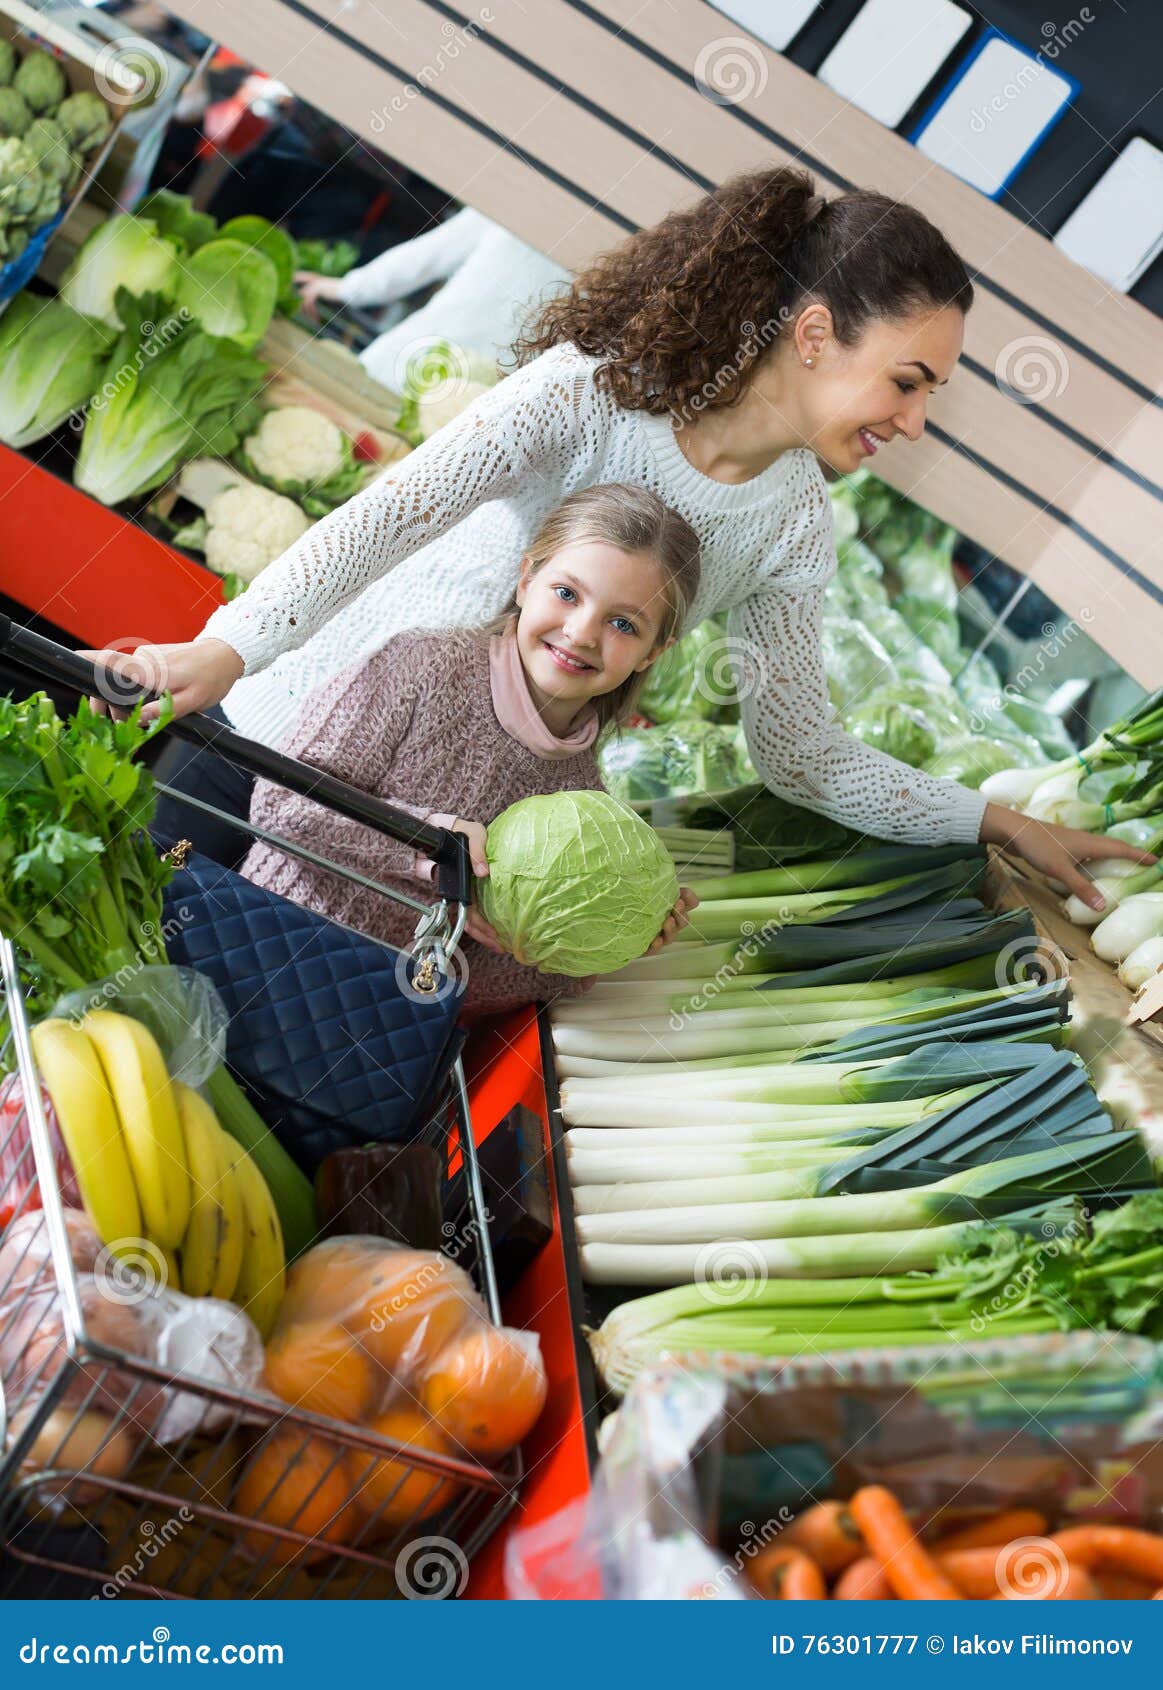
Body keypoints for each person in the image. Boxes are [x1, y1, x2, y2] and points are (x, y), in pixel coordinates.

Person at [90, 165, 1154, 908]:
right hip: (280, 738)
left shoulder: (790, 526)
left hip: (418, 843)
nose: (912, 420)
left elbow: (796, 751)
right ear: (817, 336)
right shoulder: (596, 396)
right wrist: (225, 649)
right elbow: (388, 515)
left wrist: (989, 820)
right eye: (906, 381)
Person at [239, 485, 700, 1017]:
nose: (581, 633)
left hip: (370, 1032)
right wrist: (428, 850)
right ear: (527, 580)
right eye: (568, 594)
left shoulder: (583, 804)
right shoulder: (422, 667)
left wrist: (597, 943)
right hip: (258, 948)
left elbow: (472, 994)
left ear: (653, 653)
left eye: (624, 624)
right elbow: (278, 803)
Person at [294, 206, 570, 393]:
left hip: (403, 366)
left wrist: (346, 288)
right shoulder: (607, 254)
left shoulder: (516, 203)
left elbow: (421, 261)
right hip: (473, 405)